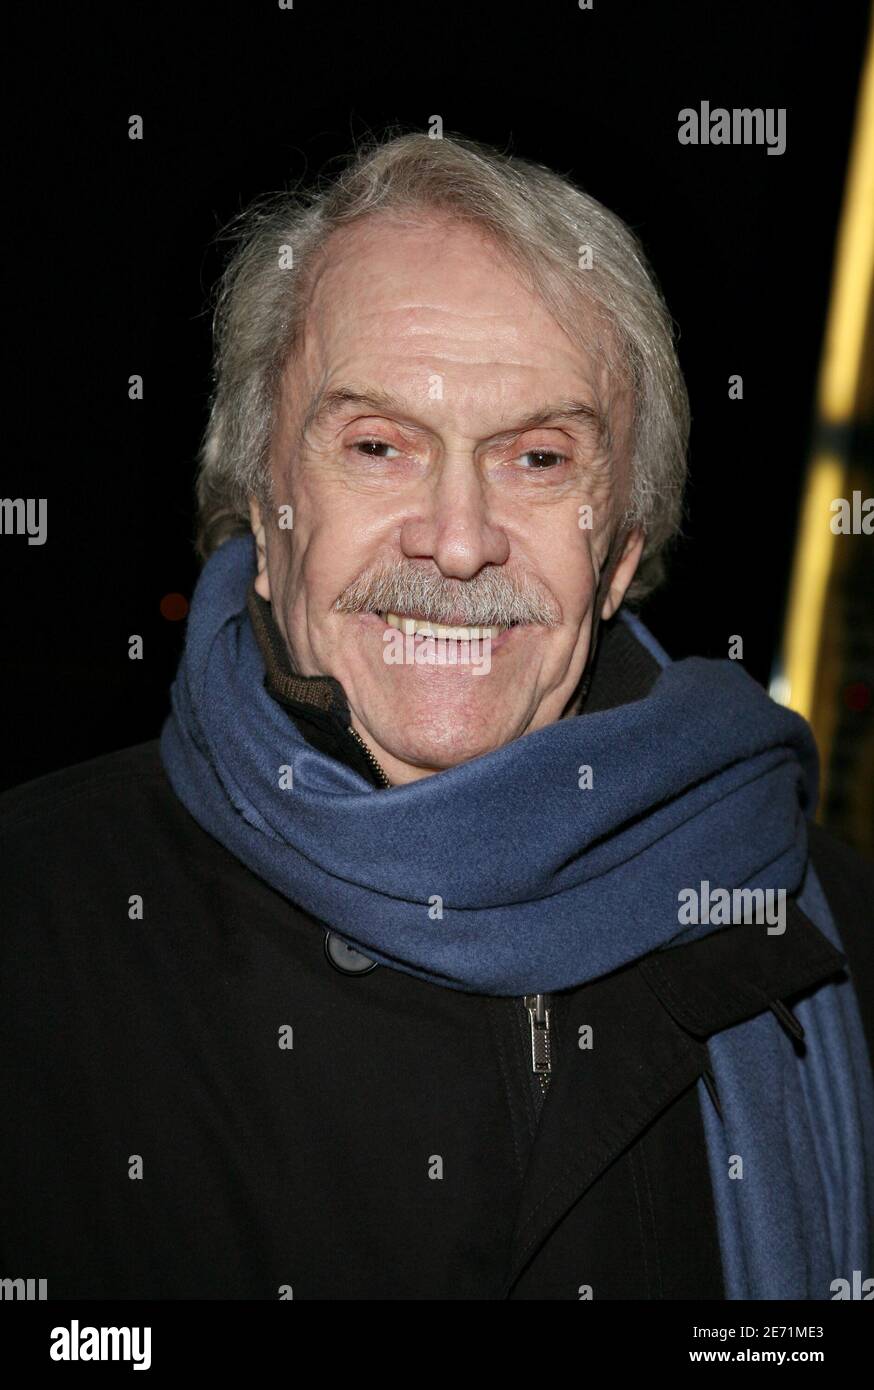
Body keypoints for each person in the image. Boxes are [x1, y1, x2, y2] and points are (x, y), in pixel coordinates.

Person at [2, 131, 872, 1301]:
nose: (457, 540)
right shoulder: (35, 923)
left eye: (536, 458)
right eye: (377, 445)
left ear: (617, 553)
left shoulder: (827, 930)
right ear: (267, 507)